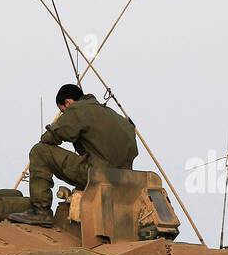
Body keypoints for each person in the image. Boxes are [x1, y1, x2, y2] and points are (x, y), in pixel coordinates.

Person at [10, 83, 139, 226]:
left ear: (68, 102)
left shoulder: (78, 109)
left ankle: (40, 211)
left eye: (63, 111)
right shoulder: (117, 117)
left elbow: (49, 138)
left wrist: (58, 124)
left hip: (97, 175)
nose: (65, 114)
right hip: (125, 179)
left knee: (39, 151)